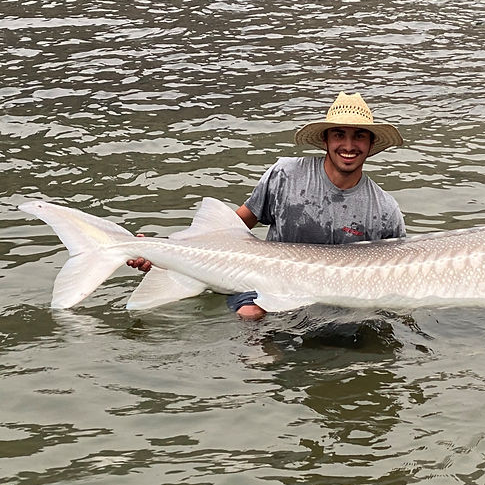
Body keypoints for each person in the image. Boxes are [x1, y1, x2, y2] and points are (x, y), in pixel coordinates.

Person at [129, 92, 406, 319]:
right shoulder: (285, 174)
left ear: (371, 144)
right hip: (266, 283)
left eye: (359, 135)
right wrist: (162, 251)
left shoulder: (384, 209)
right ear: (325, 140)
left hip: (339, 298)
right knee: (251, 314)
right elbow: (230, 230)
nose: (348, 145)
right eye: (339, 134)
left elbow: (395, 279)